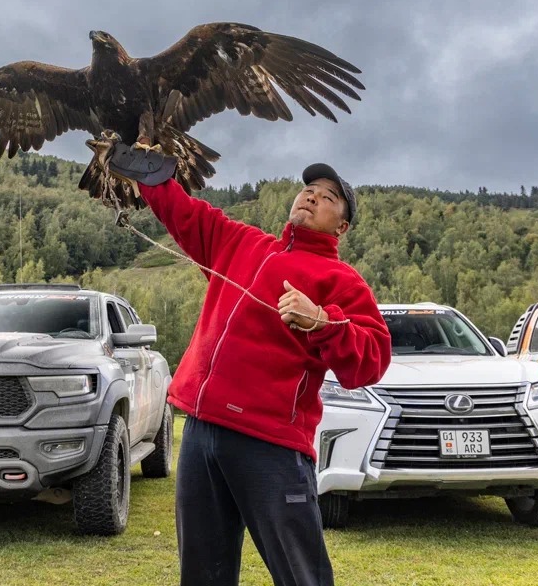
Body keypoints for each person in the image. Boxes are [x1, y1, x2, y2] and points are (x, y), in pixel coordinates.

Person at [110, 150, 391, 586]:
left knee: (302, 576)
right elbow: (187, 214)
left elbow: (372, 360)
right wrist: (151, 177)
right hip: (201, 434)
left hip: (271, 445)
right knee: (203, 575)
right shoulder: (242, 242)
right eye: (308, 190)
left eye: (328, 197)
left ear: (342, 226)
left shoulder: (343, 280)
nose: (312, 197)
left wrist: (323, 320)